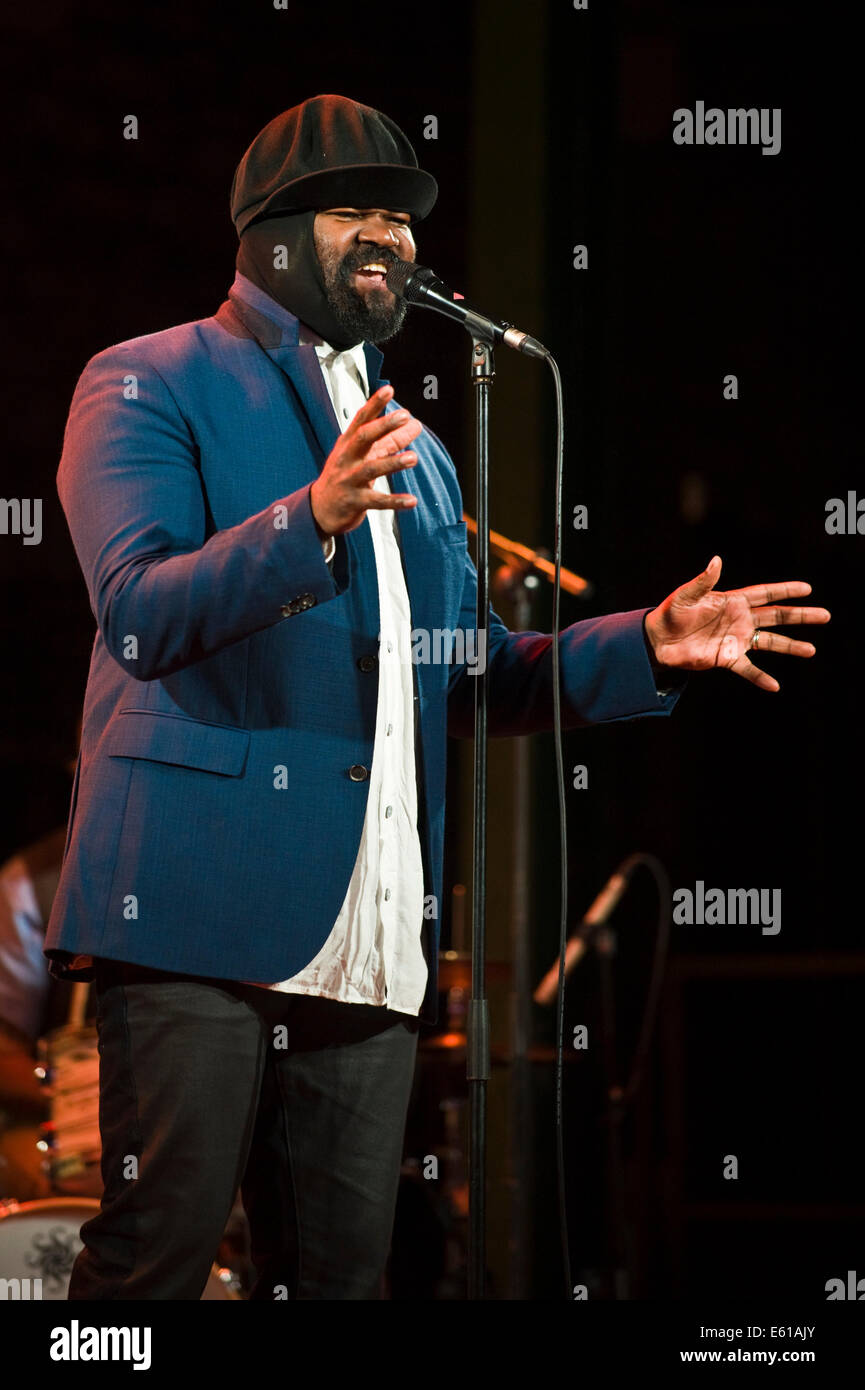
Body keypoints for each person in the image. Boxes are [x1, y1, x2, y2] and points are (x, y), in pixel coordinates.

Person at [43, 94, 829, 1300]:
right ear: (270, 235)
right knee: (153, 1267)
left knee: (341, 1281)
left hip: (370, 942)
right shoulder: (149, 379)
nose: (392, 237)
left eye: (403, 216)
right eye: (354, 211)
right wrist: (307, 521)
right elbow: (139, 609)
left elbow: (473, 672)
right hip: (197, 914)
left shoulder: (419, 447)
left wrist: (648, 647)